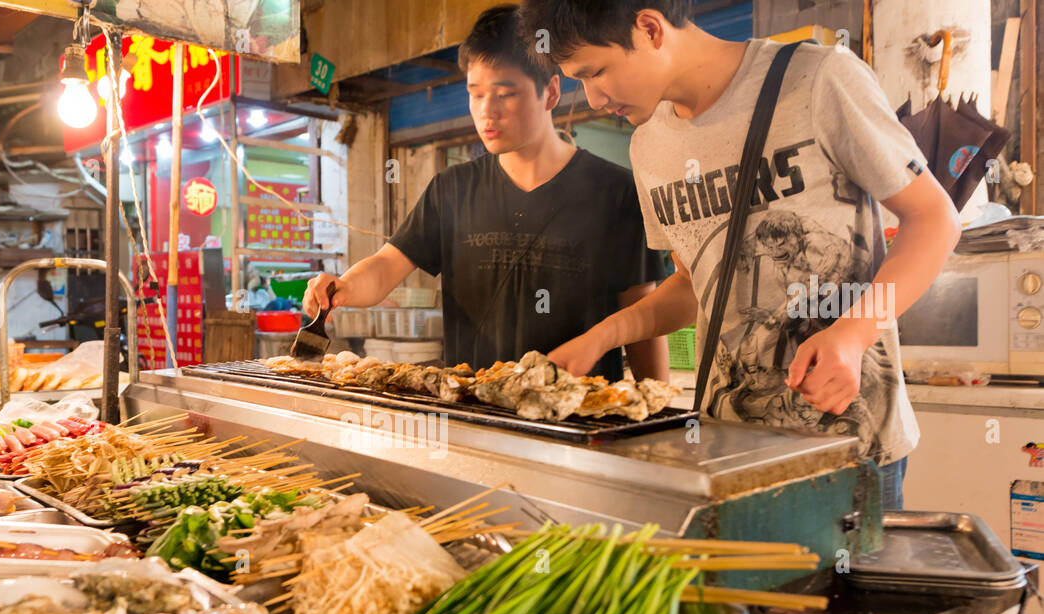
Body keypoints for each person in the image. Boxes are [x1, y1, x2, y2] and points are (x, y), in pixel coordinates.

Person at [520, 0, 962, 509]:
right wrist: (601, 337)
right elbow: (691, 287)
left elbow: (933, 221)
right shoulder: (649, 148)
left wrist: (853, 334)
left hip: (847, 447)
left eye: (594, 73)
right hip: (727, 449)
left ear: (649, 28)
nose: (594, 99)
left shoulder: (818, 79)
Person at [303, 4, 669, 383]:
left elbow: (641, 315)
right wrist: (343, 286)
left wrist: (658, 413)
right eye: (475, 94)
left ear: (551, 92)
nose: (486, 113)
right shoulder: (452, 190)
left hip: (580, 423)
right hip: (476, 415)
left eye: (504, 94)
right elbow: (385, 267)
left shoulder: (616, 192)